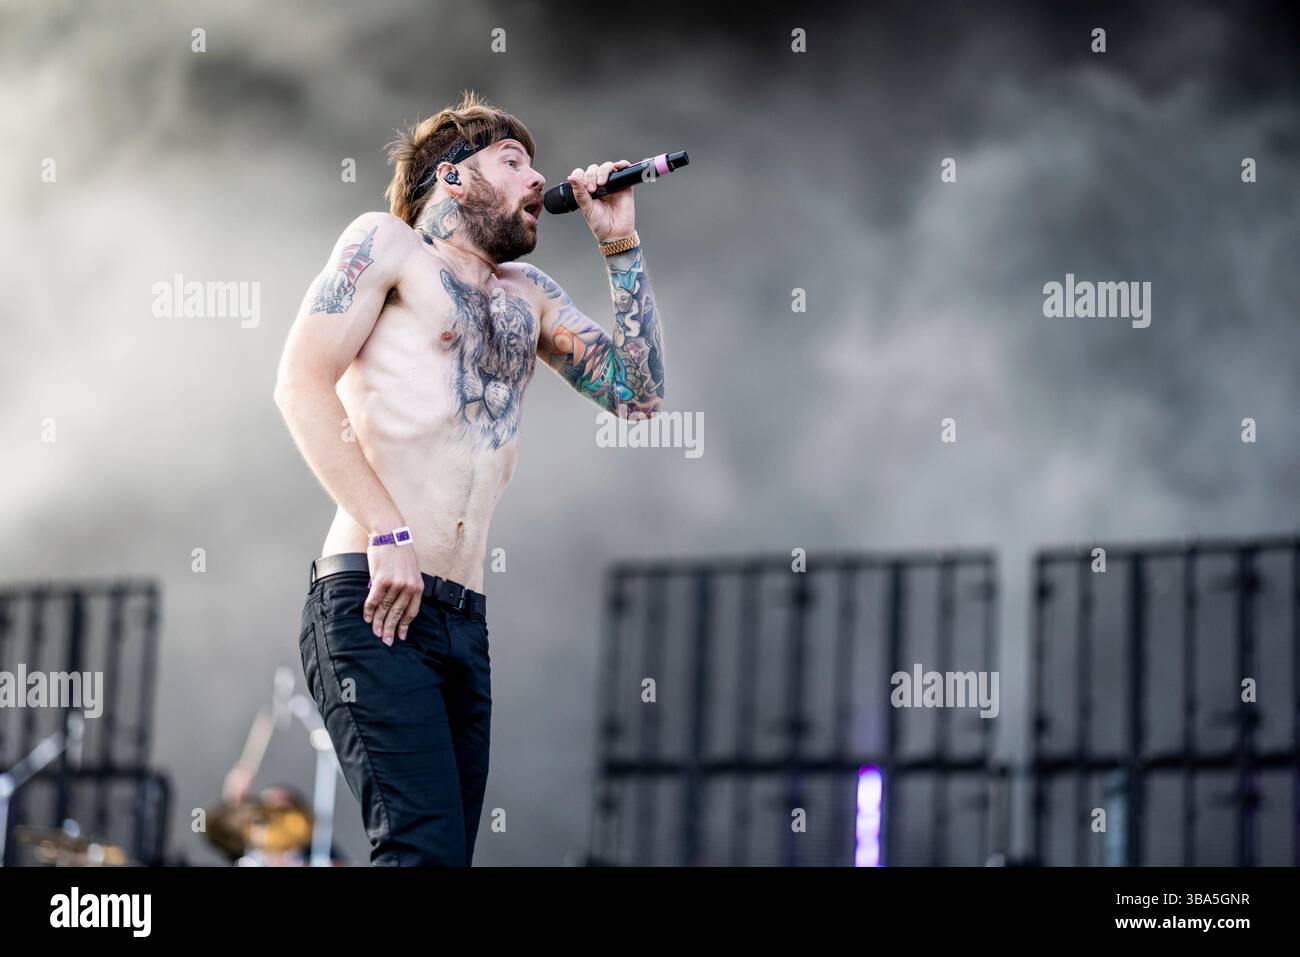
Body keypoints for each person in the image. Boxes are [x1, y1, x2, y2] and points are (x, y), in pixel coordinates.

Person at [272, 90, 667, 866]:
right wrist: (388, 530)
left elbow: (639, 395)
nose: (537, 180)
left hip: (461, 617)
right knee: (422, 848)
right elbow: (299, 384)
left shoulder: (531, 295)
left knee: (443, 857)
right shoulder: (386, 244)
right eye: (514, 161)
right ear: (452, 179)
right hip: (373, 595)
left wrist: (619, 245)